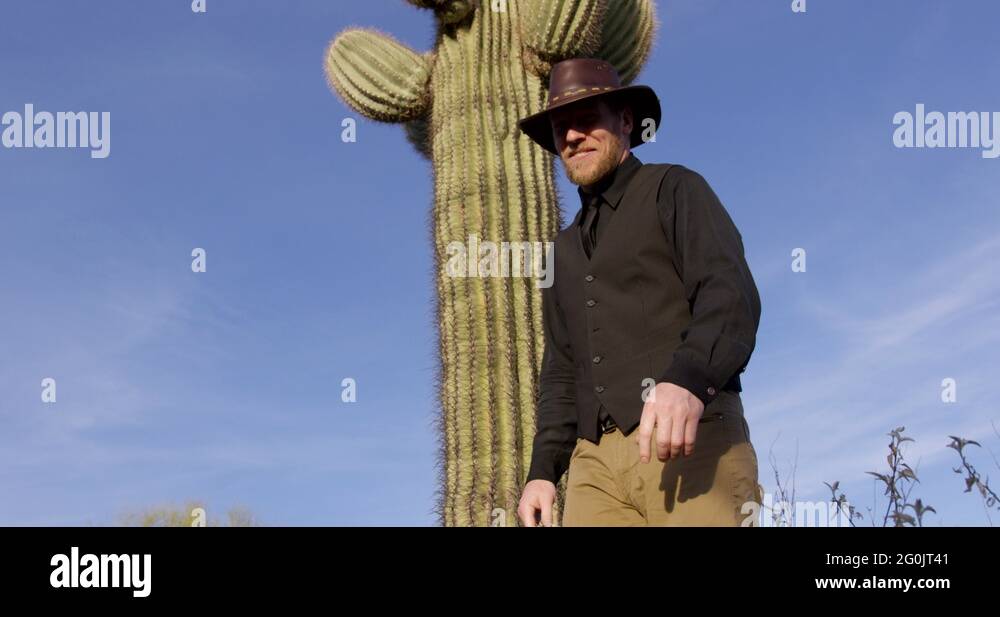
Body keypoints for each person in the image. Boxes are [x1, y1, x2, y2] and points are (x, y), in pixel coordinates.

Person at [515, 58, 763, 526]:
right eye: (560, 127)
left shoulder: (674, 189)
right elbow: (561, 370)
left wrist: (689, 380)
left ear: (626, 121)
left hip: (691, 440)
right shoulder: (561, 251)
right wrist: (543, 472)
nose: (571, 136)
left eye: (586, 119)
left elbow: (729, 293)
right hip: (594, 470)